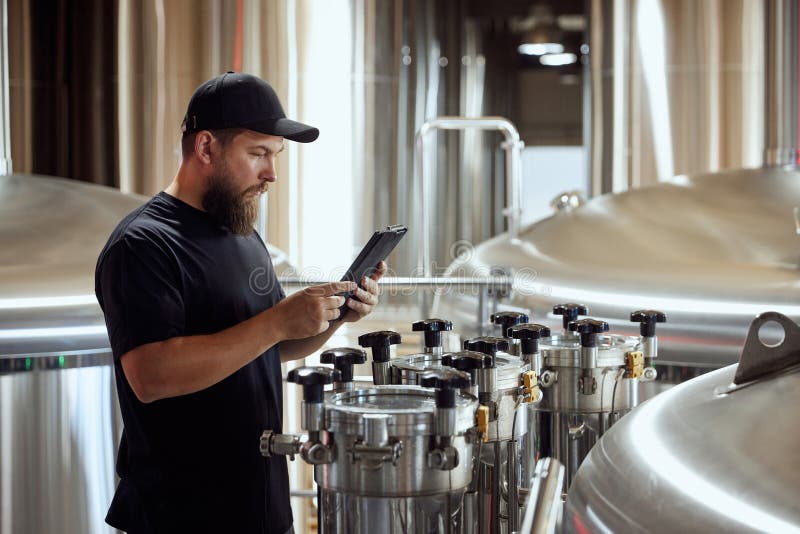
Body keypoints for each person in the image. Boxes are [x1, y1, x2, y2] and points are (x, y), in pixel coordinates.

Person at [95, 71, 384, 534]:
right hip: (182, 516)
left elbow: (271, 347)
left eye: (276, 155)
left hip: (261, 507)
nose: (271, 173)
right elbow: (151, 376)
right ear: (206, 147)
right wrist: (275, 322)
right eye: (258, 154)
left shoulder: (240, 231)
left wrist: (333, 315)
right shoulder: (144, 244)